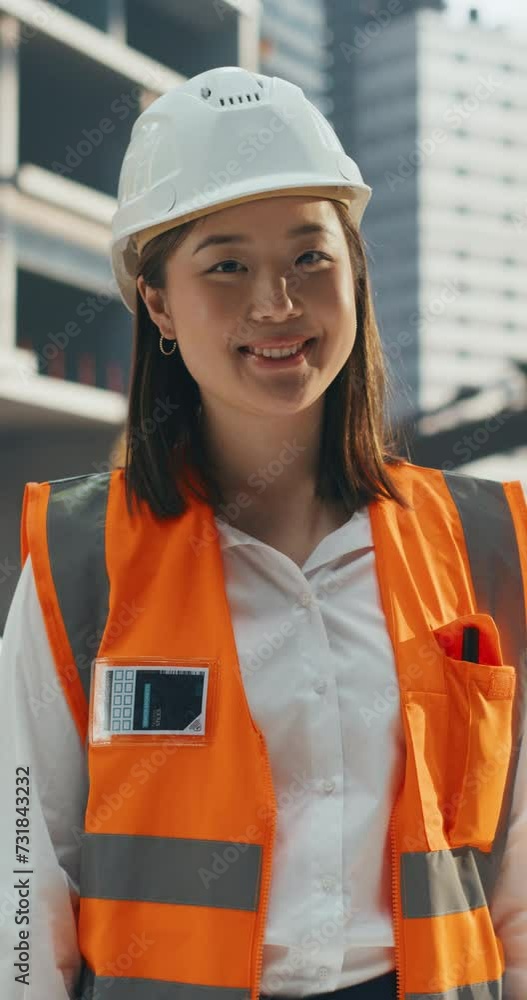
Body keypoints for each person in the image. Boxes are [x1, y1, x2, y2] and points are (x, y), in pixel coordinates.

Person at [0, 65, 525, 1000]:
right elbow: (22, 879)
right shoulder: (83, 563)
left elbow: (517, 872)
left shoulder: (483, 544)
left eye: (310, 257)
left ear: (354, 273)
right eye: (226, 265)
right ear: (158, 302)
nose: (277, 303)